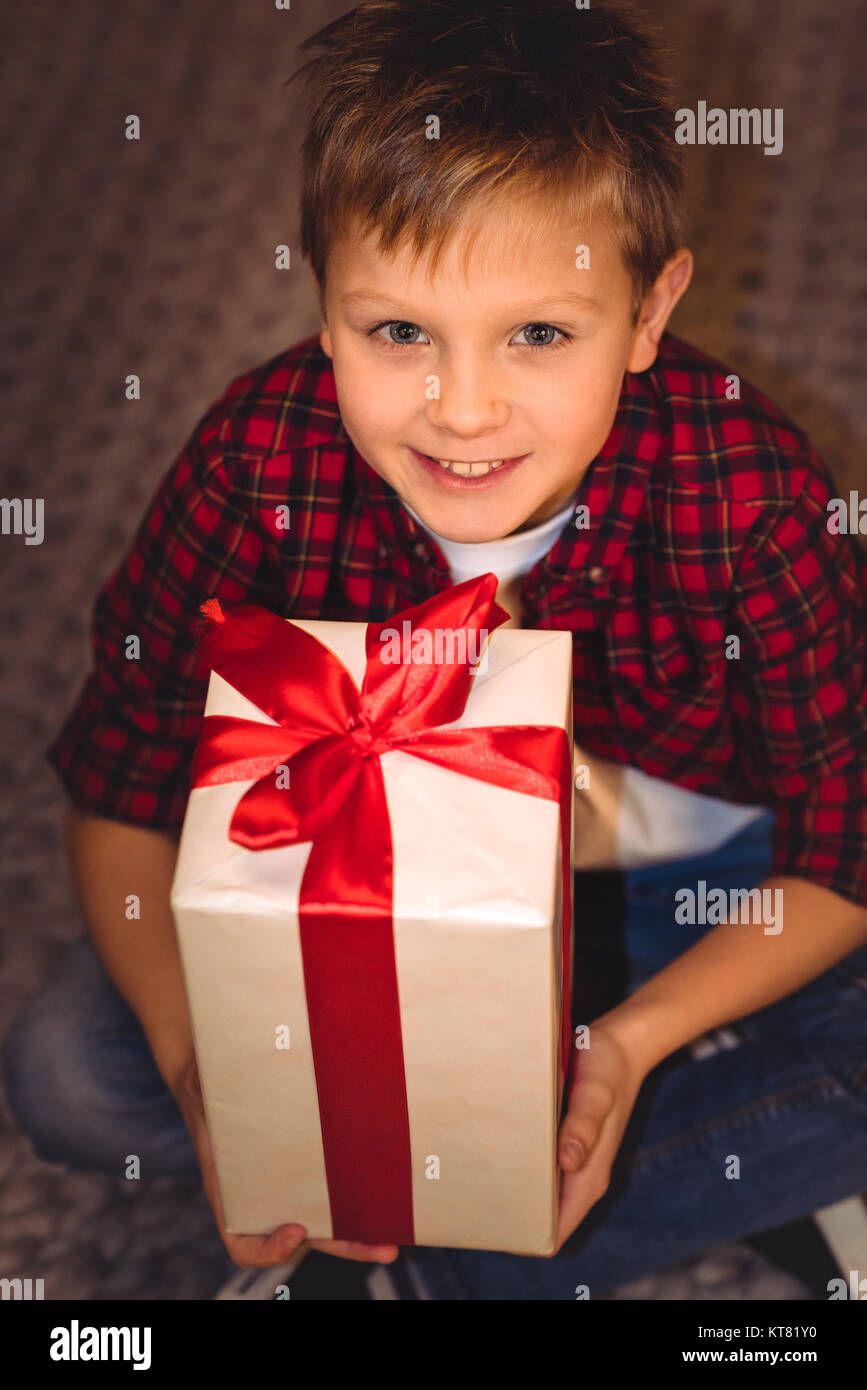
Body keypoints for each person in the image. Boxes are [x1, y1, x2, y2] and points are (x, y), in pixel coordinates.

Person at [5, 0, 867, 1300]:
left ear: (648, 312)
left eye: (540, 333)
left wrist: (625, 1045)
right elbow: (124, 782)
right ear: (322, 300)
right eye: (397, 331)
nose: (461, 409)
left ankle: (448, 1261)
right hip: (373, 888)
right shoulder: (257, 457)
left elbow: (844, 849)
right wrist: (207, 1076)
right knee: (70, 1074)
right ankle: (715, 1152)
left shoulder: (748, 493)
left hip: (701, 886)